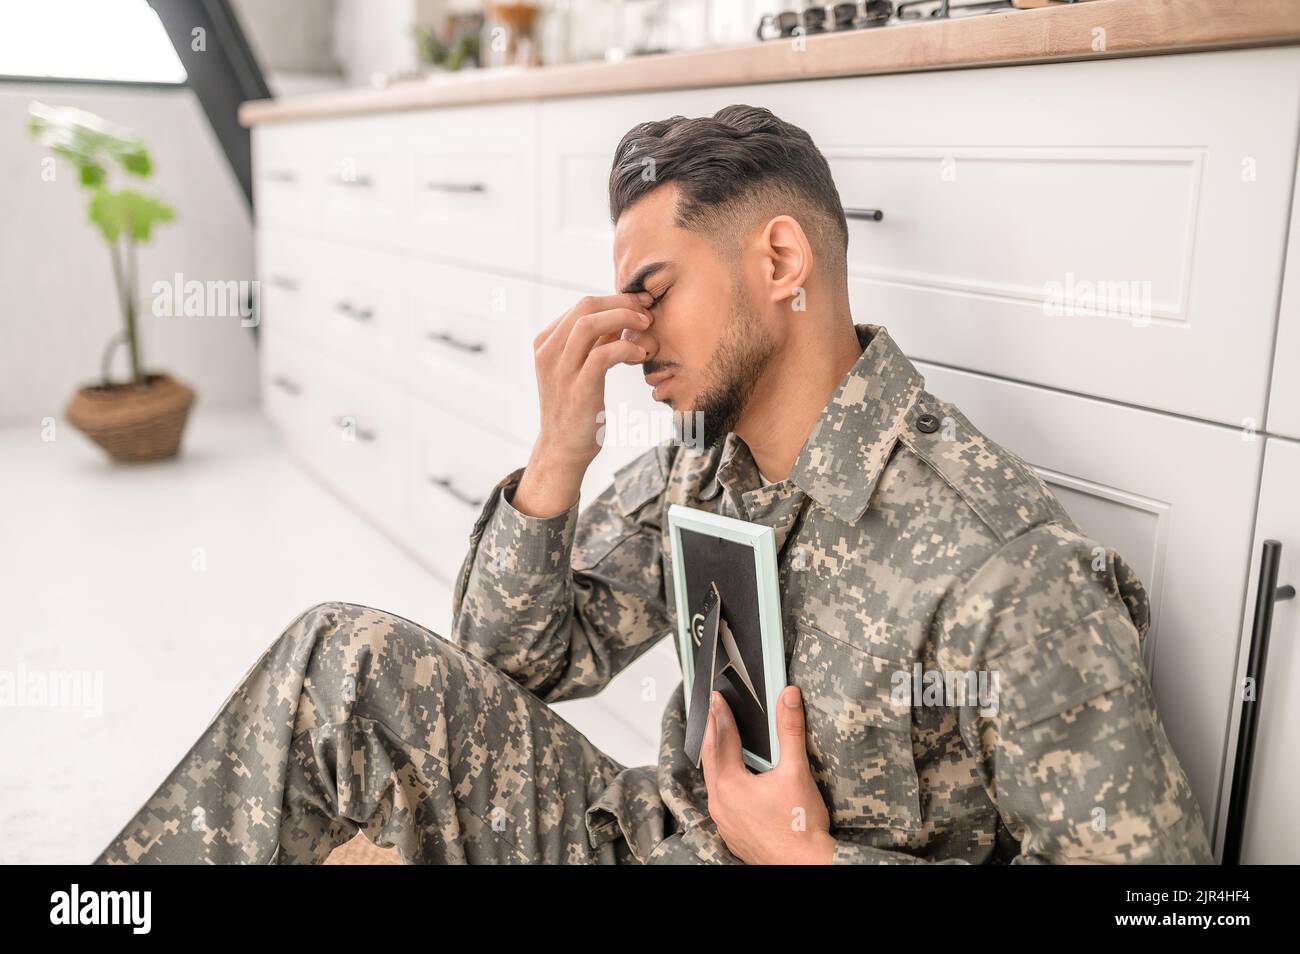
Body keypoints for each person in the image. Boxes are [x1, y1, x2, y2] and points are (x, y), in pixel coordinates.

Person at [96, 105, 1212, 865]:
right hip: (653, 838)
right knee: (340, 661)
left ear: (778, 263)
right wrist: (557, 457)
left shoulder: (1006, 573)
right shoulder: (701, 465)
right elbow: (517, 661)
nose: (627, 333)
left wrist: (809, 859)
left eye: (653, 289)